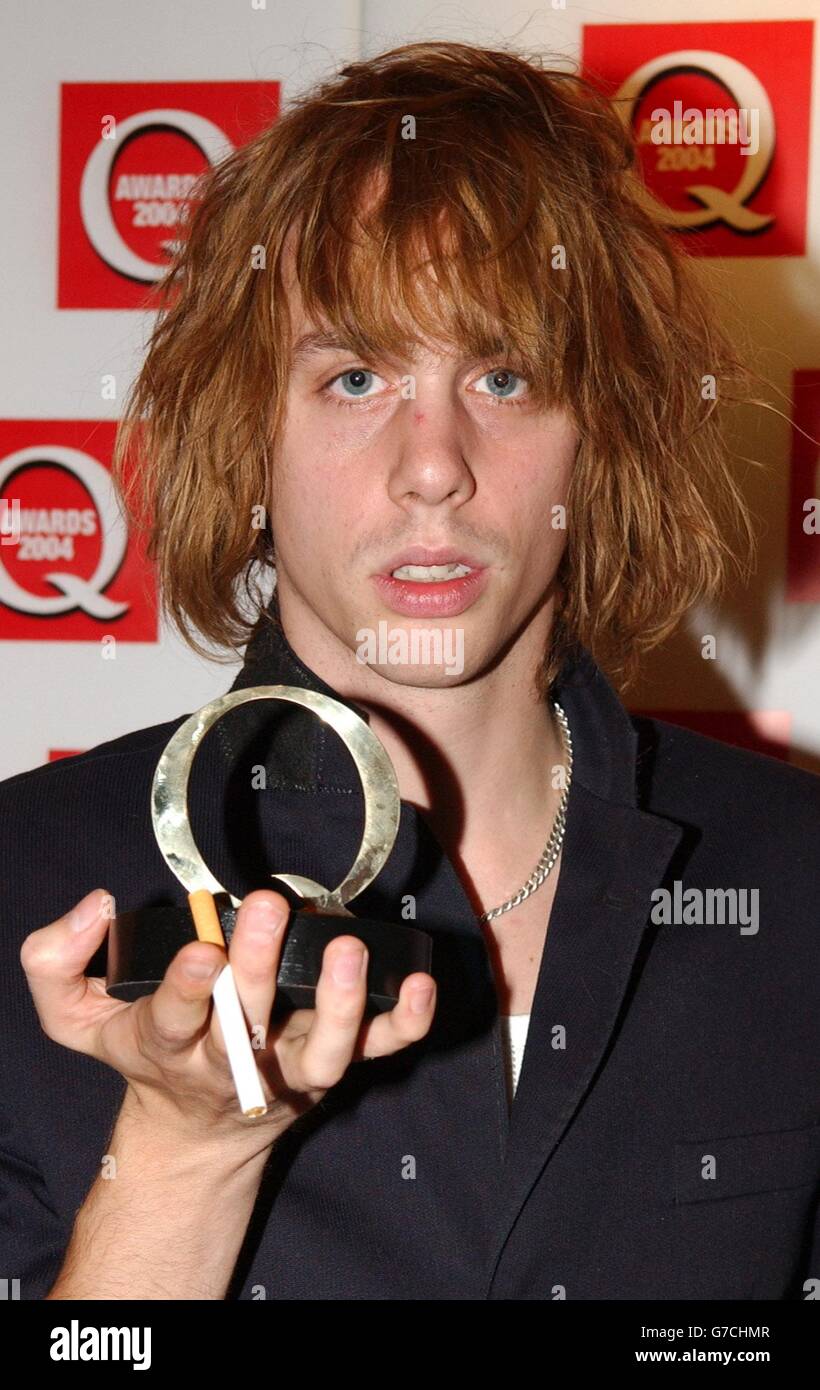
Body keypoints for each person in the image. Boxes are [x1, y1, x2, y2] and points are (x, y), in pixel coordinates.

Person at [1, 40, 818, 1302]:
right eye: (354, 377)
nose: (431, 464)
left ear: (598, 438)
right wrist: (176, 1157)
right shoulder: (29, 887)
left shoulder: (794, 877)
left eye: (503, 376)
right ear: (244, 437)